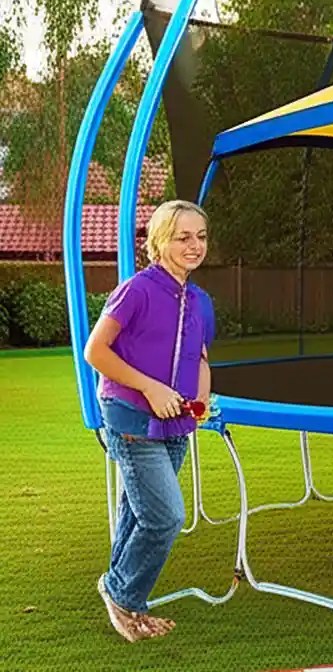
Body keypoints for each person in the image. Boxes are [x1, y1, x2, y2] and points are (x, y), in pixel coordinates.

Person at [85, 200, 216, 642]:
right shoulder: (136, 291)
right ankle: (124, 596)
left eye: (200, 236)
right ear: (159, 241)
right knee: (165, 517)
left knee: (137, 514)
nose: (194, 245)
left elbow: (200, 356)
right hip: (129, 416)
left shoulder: (200, 301)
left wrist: (200, 397)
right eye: (183, 237)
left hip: (177, 424)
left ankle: (123, 596)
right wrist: (152, 389)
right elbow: (96, 352)